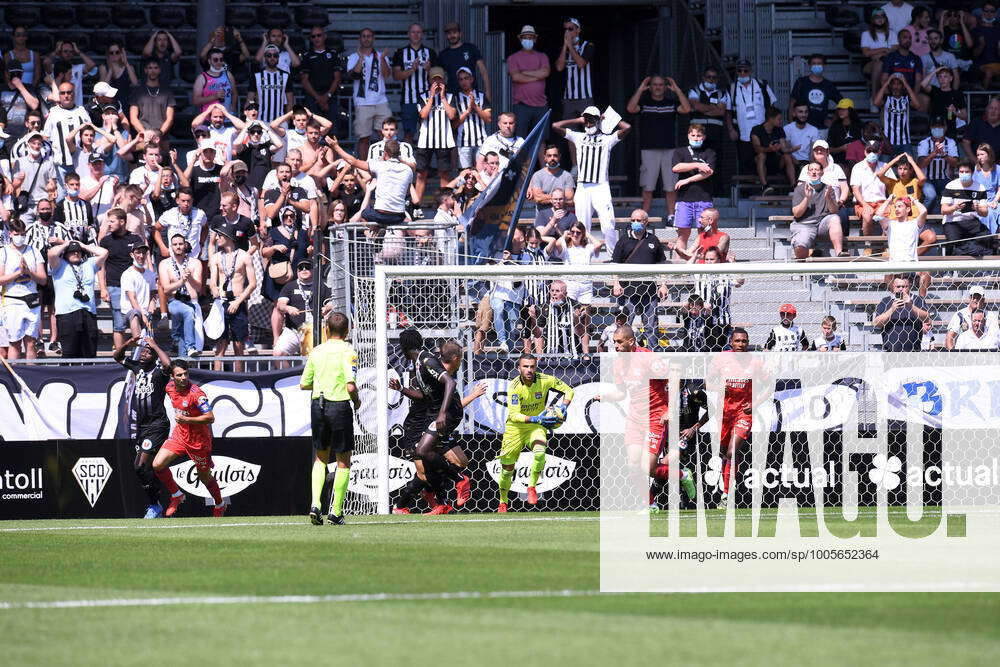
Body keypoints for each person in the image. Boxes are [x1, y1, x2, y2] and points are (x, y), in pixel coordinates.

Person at [594, 325, 697, 509]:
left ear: (631, 341)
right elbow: (621, 393)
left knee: (648, 468)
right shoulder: (618, 363)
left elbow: (673, 378)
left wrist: (670, 409)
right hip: (635, 419)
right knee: (633, 465)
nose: (615, 346)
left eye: (619, 342)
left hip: (655, 418)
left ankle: (682, 475)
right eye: (613, 342)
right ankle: (650, 504)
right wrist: (606, 397)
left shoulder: (648, 358)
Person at [299, 311, 360, 525]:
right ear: (348, 331)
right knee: (343, 461)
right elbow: (350, 385)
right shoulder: (348, 351)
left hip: (318, 405)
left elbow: (304, 383)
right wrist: (357, 400)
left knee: (320, 457)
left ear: (326, 330)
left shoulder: (316, 352)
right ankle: (336, 511)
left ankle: (315, 504)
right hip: (339, 405)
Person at [151, 359, 227, 517]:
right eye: (179, 375)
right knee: (157, 464)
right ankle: (177, 495)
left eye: (186, 374)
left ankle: (220, 504)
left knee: (204, 477)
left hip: (199, 442)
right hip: (180, 436)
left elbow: (210, 417)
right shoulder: (169, 388)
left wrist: (188, 420)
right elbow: (166, 365)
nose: (183, 377)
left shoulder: (197, 394)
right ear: (172, 377)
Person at [498, 354, 573, 512]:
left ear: (536, 367)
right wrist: (535, 418)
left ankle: (531, 487)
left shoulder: (545, 380)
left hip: (536, 427)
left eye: (532, 366)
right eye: (525, 366)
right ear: (518, 368)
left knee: (540, 453)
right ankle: (503, 502)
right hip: (516, 429)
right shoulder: (514, 387)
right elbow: (514, 415)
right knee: (507, 470)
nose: (529, 370)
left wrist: (564, 406)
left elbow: (568, 390)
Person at [113, 334, 175, 518]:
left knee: (140, 466)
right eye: (143, 351)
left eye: (148, 353)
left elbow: (169, 365)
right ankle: (162, 500)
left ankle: (155, 505)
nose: (143, 354)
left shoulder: (159, 373)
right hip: (141, 427)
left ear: (154, 356)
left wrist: (154, 345)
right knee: (149, 467)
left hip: (157, 425)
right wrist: (128, 343)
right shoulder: (137, 368)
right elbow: (117, 357)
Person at [552, 108, 631, 252]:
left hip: (601, 186)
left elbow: (627, 128)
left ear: (598, 120)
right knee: (582, 225)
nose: (588, 124)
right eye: (586, 120)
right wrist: (577, 120)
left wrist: (611, 119)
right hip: (583, 187)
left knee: (608, 224)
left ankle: (613, 255)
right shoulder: (578, 137)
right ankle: (582, 254)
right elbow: (555, 126)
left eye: (592, 120)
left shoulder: (607, 139)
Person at [626, 74, 691, 216]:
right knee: (648, 187)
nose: (658, 87)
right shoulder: (644, 102)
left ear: (665, 87)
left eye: (661, 84)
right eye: (655, 84)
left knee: (670, 186)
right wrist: (640, 89)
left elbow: (686, 109)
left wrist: (677, 90)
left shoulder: (671, 102)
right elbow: (630, 108)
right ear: (650, 87)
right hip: (649, 150)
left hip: (669, 150)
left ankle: (671, 216)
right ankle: (643, 218)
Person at [611, 209, 669, 350]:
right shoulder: (623, 240)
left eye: (638, 220)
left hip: (648, 291)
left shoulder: (653, 240)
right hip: (628, 291)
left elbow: (661, 264)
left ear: (646, 222)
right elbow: (614, 264)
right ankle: (623, 354)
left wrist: (663, 284)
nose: (635, 223)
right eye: (633, 220)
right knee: (625, 326)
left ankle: (652, 354)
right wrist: (616, 283)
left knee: (651, 326)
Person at [47, 238, 107, 358]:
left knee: (89, 353)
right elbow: (51, 253)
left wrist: (83, 245)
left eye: (78, 251)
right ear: (66, 253)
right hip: (67, 314)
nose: (76, 253)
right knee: (70, 352)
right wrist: (66, 244)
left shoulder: (89, 264)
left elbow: (104, 252)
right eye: (72, 251)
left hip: (88, 312)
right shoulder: (59, 265)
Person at [208, 227, 256, 371]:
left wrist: (238, 301)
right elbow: (212, 281)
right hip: (222, 302)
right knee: (220, 344)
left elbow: (252, 283)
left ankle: (239, 378)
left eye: (219, 236)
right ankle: (216, 377)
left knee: (238, 344)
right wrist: (214, 289)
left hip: (237, 301)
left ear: (228, 236)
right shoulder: (216, 257)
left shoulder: (244, 256)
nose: (216, 239)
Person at [0, 220, 46, 360]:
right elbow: (1, 279)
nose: (20, 237)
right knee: (14, 343)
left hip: (31, 300)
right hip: (12, 300)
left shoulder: (34, 251)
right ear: (10, 234)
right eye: (16, 234)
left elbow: (43, 280)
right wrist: (18, 273)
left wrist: (29, 272)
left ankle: (31, 375)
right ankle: (14, 377)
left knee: (31, 342)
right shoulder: (3, 252)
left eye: (22, 234)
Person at [413, 67, 457, 210]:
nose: (437, 82)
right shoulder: (422, 96)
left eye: (439, 79)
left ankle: (444, 206)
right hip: (425, 140)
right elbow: (423, 115)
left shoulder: (450, 96)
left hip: (444, 140)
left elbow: (451, 115)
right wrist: (432, 96)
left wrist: (442, 97)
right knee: (421, 174)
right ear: (429, 81)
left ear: (444, 80)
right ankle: (417, 206)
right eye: (434, 79)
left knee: (444, 174)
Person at [97, 209, 141, 349]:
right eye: (108, 221)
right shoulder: (105, 241)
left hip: (134, 287)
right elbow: (101, 266)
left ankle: (139, 356)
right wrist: (103, 288)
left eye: (112, 221)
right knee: (119, 324)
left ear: (122, 222)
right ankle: (120, 357)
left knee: (137, 320)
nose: (109, 224)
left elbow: (143, 262)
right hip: (114, 286)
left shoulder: (135, 239)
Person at [346, 28, 392, 161]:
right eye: (364, 36)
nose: (366, 39)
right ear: (360, 39)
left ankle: (387, 165)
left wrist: (382, 59)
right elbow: (353, 75)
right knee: (363, 138)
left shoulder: (380, 55)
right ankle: (364, 169)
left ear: (373, 38)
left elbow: (387, 75)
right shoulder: (354, 56)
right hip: (362, 102)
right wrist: (361, 59)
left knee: (386, 136)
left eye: (369, 36)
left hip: (381, 101)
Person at [508, 25, 550, 167]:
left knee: (541, 140)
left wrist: (525, 72)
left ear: (535, 39)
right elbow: (516, 77)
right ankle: (522, 173)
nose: (528, 39)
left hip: (541, 105)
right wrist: (536, 74)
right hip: (522, 105)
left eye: (530, 37)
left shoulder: (542, 56)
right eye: (525, 37)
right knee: (521, 140)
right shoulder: (513, 58)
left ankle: (544, 171)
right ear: (520, 39)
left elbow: (545, 73)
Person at [670, 123, 716, 252]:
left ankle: (703, 264)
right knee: (682, 234)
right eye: (693, 135)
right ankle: (680, 268)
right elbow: (676, 167)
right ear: (688, 135)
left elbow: (708, 172)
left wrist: (687, 179)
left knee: (704, 233)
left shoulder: (709, 152)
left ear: (704, 137)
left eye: (699, 135)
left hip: (704, 197)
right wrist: (697, 165)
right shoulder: (680, 151)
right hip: (684, 199)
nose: (696, 138)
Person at [726, 59, 777, 174]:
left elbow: (771, 105)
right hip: (743, 131)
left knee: (764, 158)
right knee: (745, 161)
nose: (743, 73)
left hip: (762, 130)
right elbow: (728, 111)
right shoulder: (732, 88)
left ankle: (765, 186)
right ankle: (748, 190)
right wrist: (731, 129)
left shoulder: (761, 84)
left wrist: (770, 125)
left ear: (751, 71)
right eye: (740, 71)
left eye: (745, 70)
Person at [790, 161, 849, 258]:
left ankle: (839, 252)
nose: (814, 172)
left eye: (817, 170)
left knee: (834, 218)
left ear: (822, 172)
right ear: (808, 173)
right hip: (804, 225)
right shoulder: (800, 189)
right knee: (800, 248)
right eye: (811, 170)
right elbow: (797, 214)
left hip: (822, 224)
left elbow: (834, 211)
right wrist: (807, 198)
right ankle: (802, 269)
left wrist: (828, 198)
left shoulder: (828, 188)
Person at [158, 233, 203, 358]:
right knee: (188, 312)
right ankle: (190, 346)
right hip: (175, 302)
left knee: (184, 334)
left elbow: (198, 288)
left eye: (180, 244)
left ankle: (181, 349)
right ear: (171, 246)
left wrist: (190, 278)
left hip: (192, 301)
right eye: (175, 244)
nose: (178, 247)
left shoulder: (195, 263)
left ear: (185, 245)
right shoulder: (165, 264)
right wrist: (181, 282)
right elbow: (166, 289)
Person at [391, 23, 437, 144]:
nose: (416, 35)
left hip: (427, 99)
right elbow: (396, 76)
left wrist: (429, 70)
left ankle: (425, 162)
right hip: (408, 100)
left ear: (422, 34)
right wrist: (412, 69)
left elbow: (438, 78)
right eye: (413, 32)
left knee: (428, 132)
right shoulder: (400, 53)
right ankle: (408, 161)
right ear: (408, 34)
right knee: (408, 133)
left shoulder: (430, 53)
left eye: (418, 32)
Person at [942, 158, 991, 257]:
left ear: (972, 172)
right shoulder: (950, 186)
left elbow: (985, 212)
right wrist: (955, 207)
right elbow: (943, 210)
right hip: (953, 221)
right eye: (961, 172)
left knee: (987, 237)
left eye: (967, 172)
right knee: (953, 241)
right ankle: (949, 269)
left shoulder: (980, 188)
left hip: (971, 220)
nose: (964, 174)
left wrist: (977, 209)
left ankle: (966, 252)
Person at [873, 274, 930, 351]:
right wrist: (892, 309)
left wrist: (911, 306)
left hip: (914, 351)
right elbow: (877, 323)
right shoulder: (885, 301)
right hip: (891, 352)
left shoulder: (917, 300)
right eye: (898, 286)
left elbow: (926, 318)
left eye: (904, 287)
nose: (901, 289)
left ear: (909, 286)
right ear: (893, 287)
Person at [438, 21, 492, 100]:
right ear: (446, 36)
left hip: (471, 94)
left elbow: (483, 71)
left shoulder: (470, 48)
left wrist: (488, 92)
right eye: (449, 33)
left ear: (460, 33)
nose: (452, 35)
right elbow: (439, 76)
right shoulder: (443, 54)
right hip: (452, 96)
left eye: (454, 32)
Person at [453, 66, 493, 170]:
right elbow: (454, 124)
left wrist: (475, 106)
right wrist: (467, 111)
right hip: (463, 143)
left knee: (481, 172)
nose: (464, 81)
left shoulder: (481, 96)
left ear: (471, 79)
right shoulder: (455, 98)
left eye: (466, 78)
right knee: (465, 174)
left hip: (481, 142)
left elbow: (488, 119)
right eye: (461, 79)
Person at [789, 54, 843, 129]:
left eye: (819, 63)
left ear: (824, 66)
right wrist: (792, 124)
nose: (816, 66)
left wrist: (833, 121)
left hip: (821, 128)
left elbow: (842, 103)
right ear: (809, 65)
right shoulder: (801, 82)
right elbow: (792, 103)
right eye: (814, 63)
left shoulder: (828, 85)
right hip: (801, 127)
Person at [916, 116, 959, 210]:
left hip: (944, 178)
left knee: (954, 195)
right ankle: (921, 217)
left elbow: (955, 163)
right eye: (935, 127)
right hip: (927, 179)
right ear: (931, 128)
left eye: (940, 126)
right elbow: (920, 164)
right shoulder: (924, 143)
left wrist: (944, 154)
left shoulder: (951, 142)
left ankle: (947, 218)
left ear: (945, 128)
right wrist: (934, 153)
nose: (937, 129)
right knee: (931, 196)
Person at [300, 27, 344, 119]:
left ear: (325, 36)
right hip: (312, 98)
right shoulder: (306, 55)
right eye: (313, 36)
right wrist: (319, 98)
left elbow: (337, 78)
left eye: (319, 35)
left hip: (331, 97)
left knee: (332, 129)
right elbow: (304, 80)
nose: (316, 38)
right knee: (312, 129)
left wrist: (327, 97)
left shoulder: (334, 54)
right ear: (311, 39)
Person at [120, 240, 159, 341]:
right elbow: (132, 299)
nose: (141, 256)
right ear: (132, 254)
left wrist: (152, 304)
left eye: (143, 253)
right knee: (135, 314)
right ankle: (138, 344)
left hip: (146, 313)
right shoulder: (127, 274)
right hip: (128, 313)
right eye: (138, 252)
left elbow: (153, 293)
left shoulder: (150, 274)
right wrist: (143, 315)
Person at [873, 73, 921, 153]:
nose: (896, 86)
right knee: (886, 165)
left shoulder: (906, 98)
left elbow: (917, 105)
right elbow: (876, 102)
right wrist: (887, 81)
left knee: (908, 165)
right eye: (894, 84)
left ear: (903, 86)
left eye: (899, 84)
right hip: (887, 141)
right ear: (890, 86)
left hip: (905, 141)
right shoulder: (886, 98)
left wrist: (906, 84)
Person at [687, 66, 729, 155]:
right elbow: (697, 106)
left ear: (717, 79)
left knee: (716, 162)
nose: (711, 79)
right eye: (708, 77)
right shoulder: (694, 91)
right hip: (697, 134)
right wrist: (714, 107)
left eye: (714, 77)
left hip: (716, 134)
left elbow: (721, 112)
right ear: (703, 78)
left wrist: (703, 109)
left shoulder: (721, 94)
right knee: (697, 161)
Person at [751, 106, 796, 191]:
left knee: (787, 156)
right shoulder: (756, 130)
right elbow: (757, 148)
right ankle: (765, 186)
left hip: (776, 162)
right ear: (771, 119)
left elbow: (783, 148)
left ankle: (793, 186)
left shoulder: (779, 130)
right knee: (761, 155)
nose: (781, 121)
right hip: (761, 163)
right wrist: (770, 149)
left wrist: (792, 149)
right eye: (779, 119)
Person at [851, 140, 889, 237]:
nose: (872, 153)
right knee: (867, 216)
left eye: (875, 151)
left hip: (881, 202)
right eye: (869, 150)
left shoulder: (884, 166)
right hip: (862, 203)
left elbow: (892, 186)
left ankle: (886, 245)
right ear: (865, 152)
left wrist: (888, 203)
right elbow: (855, 190)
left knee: (888, 216)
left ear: (879, 151)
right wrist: (865, 205)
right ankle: (869, 245)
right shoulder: (857, 167)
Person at [249, 45, 293, 126]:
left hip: (280, 122)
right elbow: (250, 99)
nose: (272, 58)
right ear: (264, 57)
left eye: (275, 55)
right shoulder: (256, 76)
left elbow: (290, 101)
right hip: (261, 121)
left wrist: (287, 122)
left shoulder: (286, 76)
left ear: (278, 57)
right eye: (269, 55)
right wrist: (250, 120)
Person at [946, 286, 999, 350]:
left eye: (978, 298)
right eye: (973, 297)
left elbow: (996, 337)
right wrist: (953, 355)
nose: (975, 300)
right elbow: (949, 337)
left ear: (983, 300)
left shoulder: (991, 316)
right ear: (970, 298)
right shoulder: (960, 315)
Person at [528, 145, 576, 215]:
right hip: (542, 217)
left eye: (555, 155)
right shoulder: (538, 175)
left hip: (562, 216)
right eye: (549, 156)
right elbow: (538, 198)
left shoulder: (567, 176)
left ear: (559, 157)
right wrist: (559, 198)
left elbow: (569, 199)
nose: (552, 158)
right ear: (545, 157)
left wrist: (546, 197)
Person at [920, 67, 965, 140]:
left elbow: (965, 116)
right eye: (940, 77)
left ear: (951, 78)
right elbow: (923, 84)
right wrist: (936, 70)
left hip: (950, 131)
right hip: (934, 129)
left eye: (945, 76)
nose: (942, 79)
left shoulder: (957, 94)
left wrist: (955, 112)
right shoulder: (935, 91)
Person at [862, 9, 894, 108]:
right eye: (877, 17)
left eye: (882, 16)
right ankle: (874, 98)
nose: (880, 19)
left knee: (882, 63)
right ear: (872, 19)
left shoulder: (892, 33)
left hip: (888, 61)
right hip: (869, 63)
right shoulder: (866, 34)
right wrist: (884, 49)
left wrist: (879, 54)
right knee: (878, 64)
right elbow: (866, 53)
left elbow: (894, 49)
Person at [54, 172, 96, 244]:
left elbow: (90, 223)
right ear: (65, 186)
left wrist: (90, 227)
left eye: (77, 184)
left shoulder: (86, 205)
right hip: (67, 244)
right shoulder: (60, 206)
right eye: (72, 184)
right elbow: (57, 227)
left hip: (85, 243)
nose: (75, 187)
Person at [192, 49, 236, 113]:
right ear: (209, 61)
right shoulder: (202, 78)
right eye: (215, 60)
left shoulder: (228, 75)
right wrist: (214, 97)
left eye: (221, 59)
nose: (219, 62)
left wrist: (233, 108)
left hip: (228, 118)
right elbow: (195, 101)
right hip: (208, 119)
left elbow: (234, 93)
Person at [98, 42, 138, 111]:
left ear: (122, 53)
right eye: (111, 53)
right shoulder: (103, 67)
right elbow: (102, 89)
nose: (114, 55)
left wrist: (126, 63)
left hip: (126, 103)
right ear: (108, 54)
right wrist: (110, 70)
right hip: (109, 105)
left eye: (117, 52)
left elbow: (135, 83)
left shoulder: (129, 67)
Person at [783, 103, 820, 169]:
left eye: (806, 112)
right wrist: (797, 164)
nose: (804, 115)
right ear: (794, 113)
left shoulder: (814, 130)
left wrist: (810, 166)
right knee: (787, 157)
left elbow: (812, 152)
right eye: (800, 112)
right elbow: (787, 150)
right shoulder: (787, 129)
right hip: (791, 161)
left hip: (806, 161)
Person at [828, 99, 863, 168]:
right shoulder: (835, 126)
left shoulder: (859, 125)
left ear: (850, 110)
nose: (841, 112)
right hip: (839, 162)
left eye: (844, 109)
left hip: (857, 161)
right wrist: (841, 148)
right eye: (839, 109)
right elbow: (829, 149)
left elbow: (865, 146)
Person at [975, 2, 1000, 88]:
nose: (989, 14)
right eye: (986, 11)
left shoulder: (998, 30)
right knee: (989, 72)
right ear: (982, 12)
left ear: (996, 13)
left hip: (997, 63)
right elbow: (974, 55)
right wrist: (981, 45)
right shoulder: (976, 29)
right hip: (982, 65)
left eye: (992, 11)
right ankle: (984, 97)